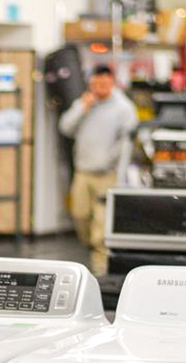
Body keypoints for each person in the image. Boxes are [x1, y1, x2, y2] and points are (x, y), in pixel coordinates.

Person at [59, 65, 137, 274]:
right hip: (83, 172)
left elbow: (126, 145)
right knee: (80, 215)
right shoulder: (84, 103)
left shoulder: (123, 108)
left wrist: (119, 175)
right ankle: (92, 249)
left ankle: (100, 274)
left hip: (107, 175)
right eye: (95, 84)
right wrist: (82, 109)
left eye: (104, 83)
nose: (99, 88)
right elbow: (65, 127)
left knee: (101, 230)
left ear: (112, 82)